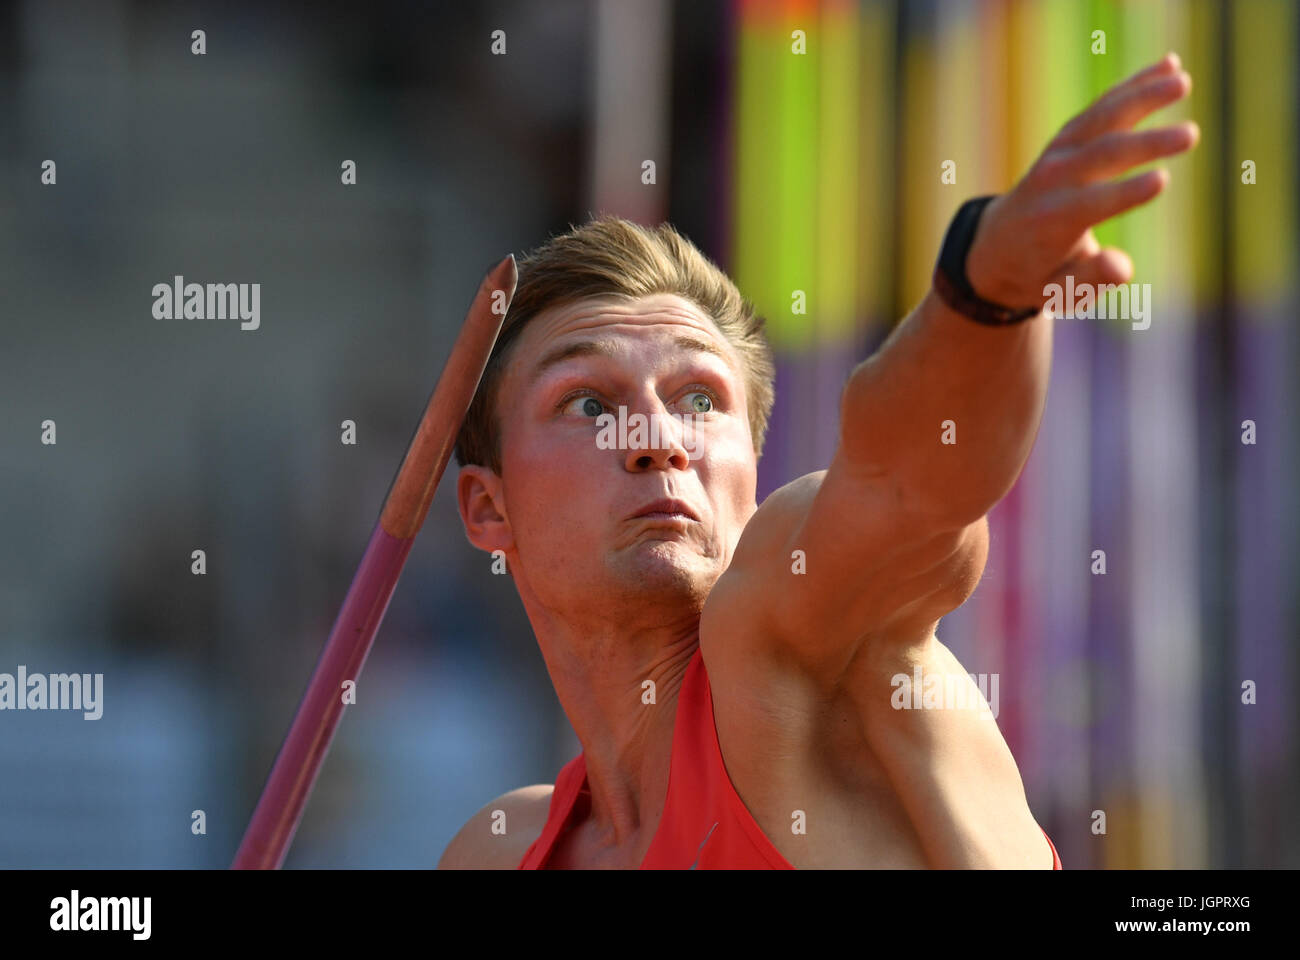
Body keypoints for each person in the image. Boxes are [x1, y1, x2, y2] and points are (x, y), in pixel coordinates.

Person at [437, 53, 1198, 868]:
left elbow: (905, 490)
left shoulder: (812, 649)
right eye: (589, 403)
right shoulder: (498, 851)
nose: (656, 439)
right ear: (489, 508)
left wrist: (986, 292)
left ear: (750, 466)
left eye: (701, 400)